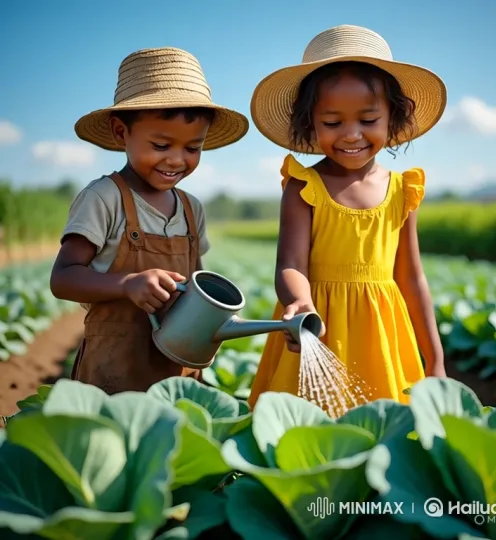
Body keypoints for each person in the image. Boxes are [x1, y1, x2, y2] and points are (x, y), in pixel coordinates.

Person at [247, 25, 447, 409]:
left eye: (368, 120)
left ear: (394, 119)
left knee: (386, 429)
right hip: (317, 328)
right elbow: (290, 264)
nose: (351, 134)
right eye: (333, 122)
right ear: (311, 124)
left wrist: (435, 360)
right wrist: (299, 302)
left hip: (382, 336)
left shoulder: (404, 189)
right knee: (306, 430)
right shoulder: (304, 185)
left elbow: (411, 276)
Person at [50, 47, 249, 394]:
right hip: (113, 370)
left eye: (192, 148)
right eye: (160, 144)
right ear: (120, 132)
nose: (176, 159)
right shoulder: (104, 198)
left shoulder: (191, 208)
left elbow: (196, 290)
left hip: (178, 369)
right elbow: (63, 279)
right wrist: (127, 285)